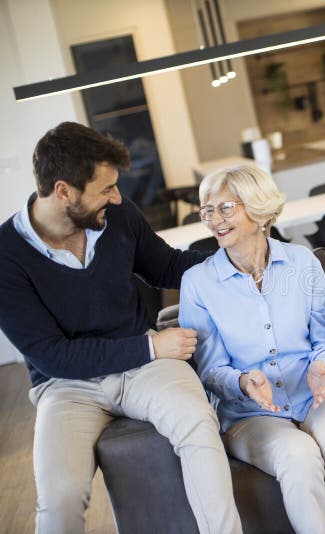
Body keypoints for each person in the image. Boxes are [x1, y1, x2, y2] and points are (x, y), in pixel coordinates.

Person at [0, 122, 242, 534]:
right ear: (63, 191)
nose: (116, 197)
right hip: (67, 385)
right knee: (58, 499)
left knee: (199, 424)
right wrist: (150, 348)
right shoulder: (6, 256)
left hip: (146, 370)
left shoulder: (116, 214)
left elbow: (165, 266)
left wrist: (234, 254)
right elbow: (52, 356)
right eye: (105, 189)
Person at [179, 165, 325, 534]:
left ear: (257, 208)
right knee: (298, 458)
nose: (214, 220)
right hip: (251, 413)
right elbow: (209, 369)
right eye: (207, 210)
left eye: (225, 208)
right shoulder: (197, 283)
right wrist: (243, 381)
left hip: (319, 392)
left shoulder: (302, 263)